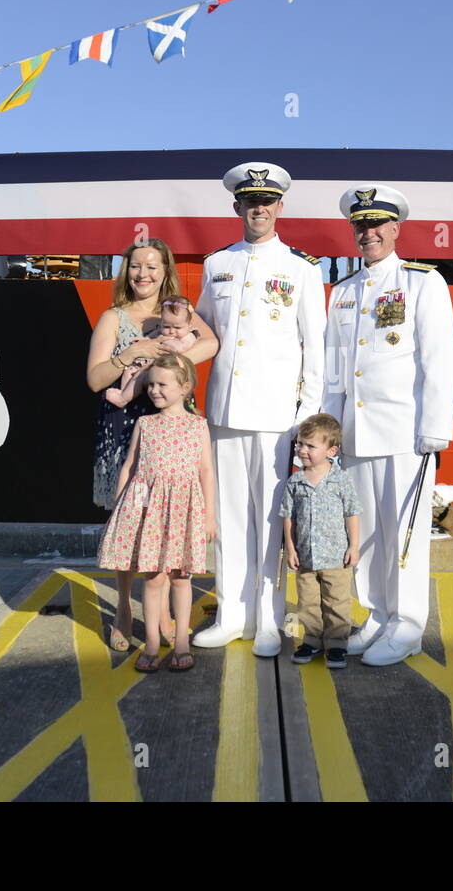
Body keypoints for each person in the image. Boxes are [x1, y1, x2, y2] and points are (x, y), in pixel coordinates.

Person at [322, 184, 453, 666]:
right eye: (361, 225)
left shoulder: (423, 283)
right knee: (367, 533)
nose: (369, 233)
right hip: (357, 434)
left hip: (405, 432)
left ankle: (407, 625)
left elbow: (443, 360)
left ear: (396, 229)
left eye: (378, 224)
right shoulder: (343, 293)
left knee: (404, 530)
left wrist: (435, 429)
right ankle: (378, 614)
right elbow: (336, 370)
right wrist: (328, 432)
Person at [193, 162, 327, 657]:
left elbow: (316, 348)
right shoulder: (217, 264)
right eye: (250, 201)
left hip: (276, 418)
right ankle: (231, 615)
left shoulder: (301, 268)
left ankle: (269, 619)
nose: (259, 209)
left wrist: (306, 418)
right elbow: (202, 334)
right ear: (237, 207)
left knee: (273, 522)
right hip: (224, 413)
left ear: (279, 207)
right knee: (228, 520)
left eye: (267, 201)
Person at [86, 240, 217, 652]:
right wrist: (133, 354)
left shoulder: (179, 311)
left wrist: (172, 367)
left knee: (168, 518)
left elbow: (211, 343)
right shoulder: (114, 317)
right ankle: (126, 608)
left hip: (173, 428)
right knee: (131, 521)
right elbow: (95, 379)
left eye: (151, 266)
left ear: (166, 271)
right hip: (127, 426)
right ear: (126, 272)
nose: (143, 273)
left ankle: (159, 612)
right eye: (135, 266)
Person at [97, 354, 217, 672]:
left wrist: (209, 516)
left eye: (162, 384)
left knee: (180, 579)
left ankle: (180, 642)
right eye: (150, 385)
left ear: (185, 387)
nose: (154, 391)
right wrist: (121, 507)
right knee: (152, 579)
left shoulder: (198, 426)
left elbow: (206, 472)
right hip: (148, 511)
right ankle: (151, 643)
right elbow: (130, 466)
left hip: (183, 512)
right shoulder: (145, 424)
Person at [279, 413, 360, 669]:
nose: (302, 450)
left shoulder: (341, 479)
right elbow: (288, 517)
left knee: (337, 602)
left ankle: (336, 644)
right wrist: (290, 549)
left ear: (331, 450)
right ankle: (312, 640)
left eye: (310, 446)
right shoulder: (295, 481)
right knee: (308, 603)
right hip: (306, 557)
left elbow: (352, 513)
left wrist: (354, 546)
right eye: (300, 444)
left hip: (336, 557)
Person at [104, 295, 200, 408]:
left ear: (189, 324)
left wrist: (166, 343)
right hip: (148, 361)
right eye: (166, 326)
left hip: (164, 368)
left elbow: (180, 348)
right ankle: (125, 391)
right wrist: (143, 341)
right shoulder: (162, 332)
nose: (171, 331)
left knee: (139, 375)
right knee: (129, 371)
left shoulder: (189, 335)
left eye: (177, 328)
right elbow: (151, 337)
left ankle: (123, 399)